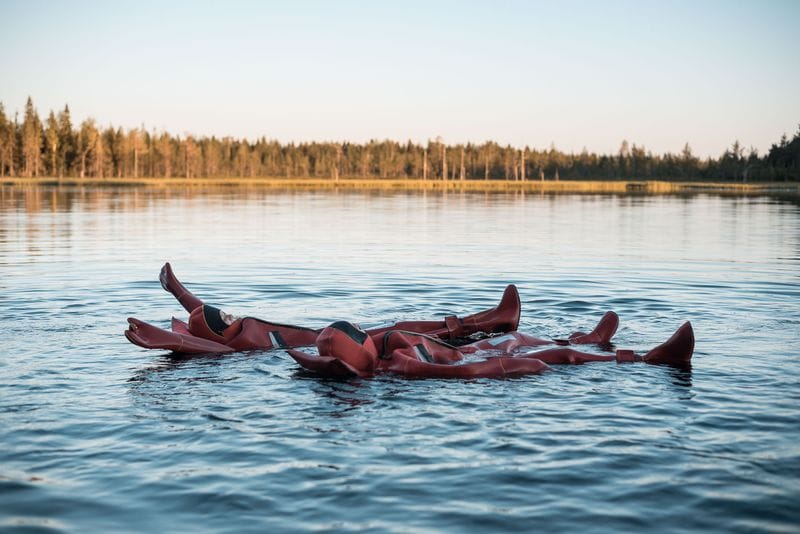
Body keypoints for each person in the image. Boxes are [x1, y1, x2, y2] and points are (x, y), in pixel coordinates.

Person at [127, 263, 617, 355]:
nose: (229, 317)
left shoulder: (235, 330)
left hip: (336, 334)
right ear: (217, 334)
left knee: (408, 330)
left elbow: (198, 313)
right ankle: (496, 323)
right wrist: (171, 337)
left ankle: (495, 323)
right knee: (409, 334)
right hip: (337, 344)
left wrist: (176, 288)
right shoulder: (236, 346)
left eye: (224, 315)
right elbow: (196, 334)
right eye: (223, 320)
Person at [286, 320, 694, 379]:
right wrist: (522, 366)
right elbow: (463, 375)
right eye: (358, 335)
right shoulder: (401, 366)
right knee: (551, 354)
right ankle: (649, 359)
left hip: (475, 348)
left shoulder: (382, 352)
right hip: (478, 359)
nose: (363, 332)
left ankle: (590, 339)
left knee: (535, 339)